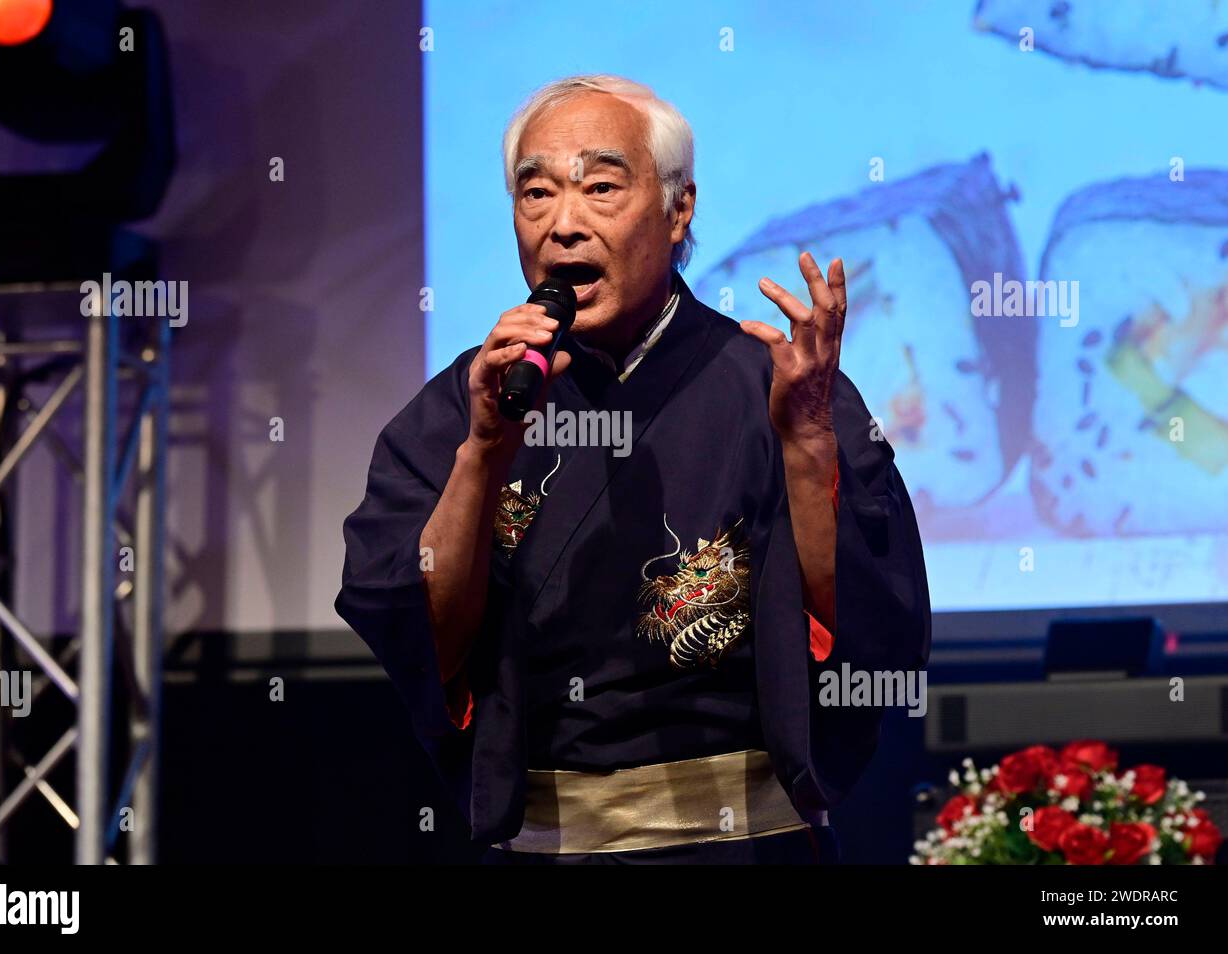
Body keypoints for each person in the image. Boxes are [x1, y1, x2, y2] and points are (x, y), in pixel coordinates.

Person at [336, 74, 931, 864]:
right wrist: (483, 451)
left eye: (601, 187)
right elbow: (417, 638)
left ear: (678, 208)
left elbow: (877, 632)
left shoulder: (778, 388)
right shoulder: (466, 403)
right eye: (536, 194)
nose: (563, 226)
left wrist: (810, 441)